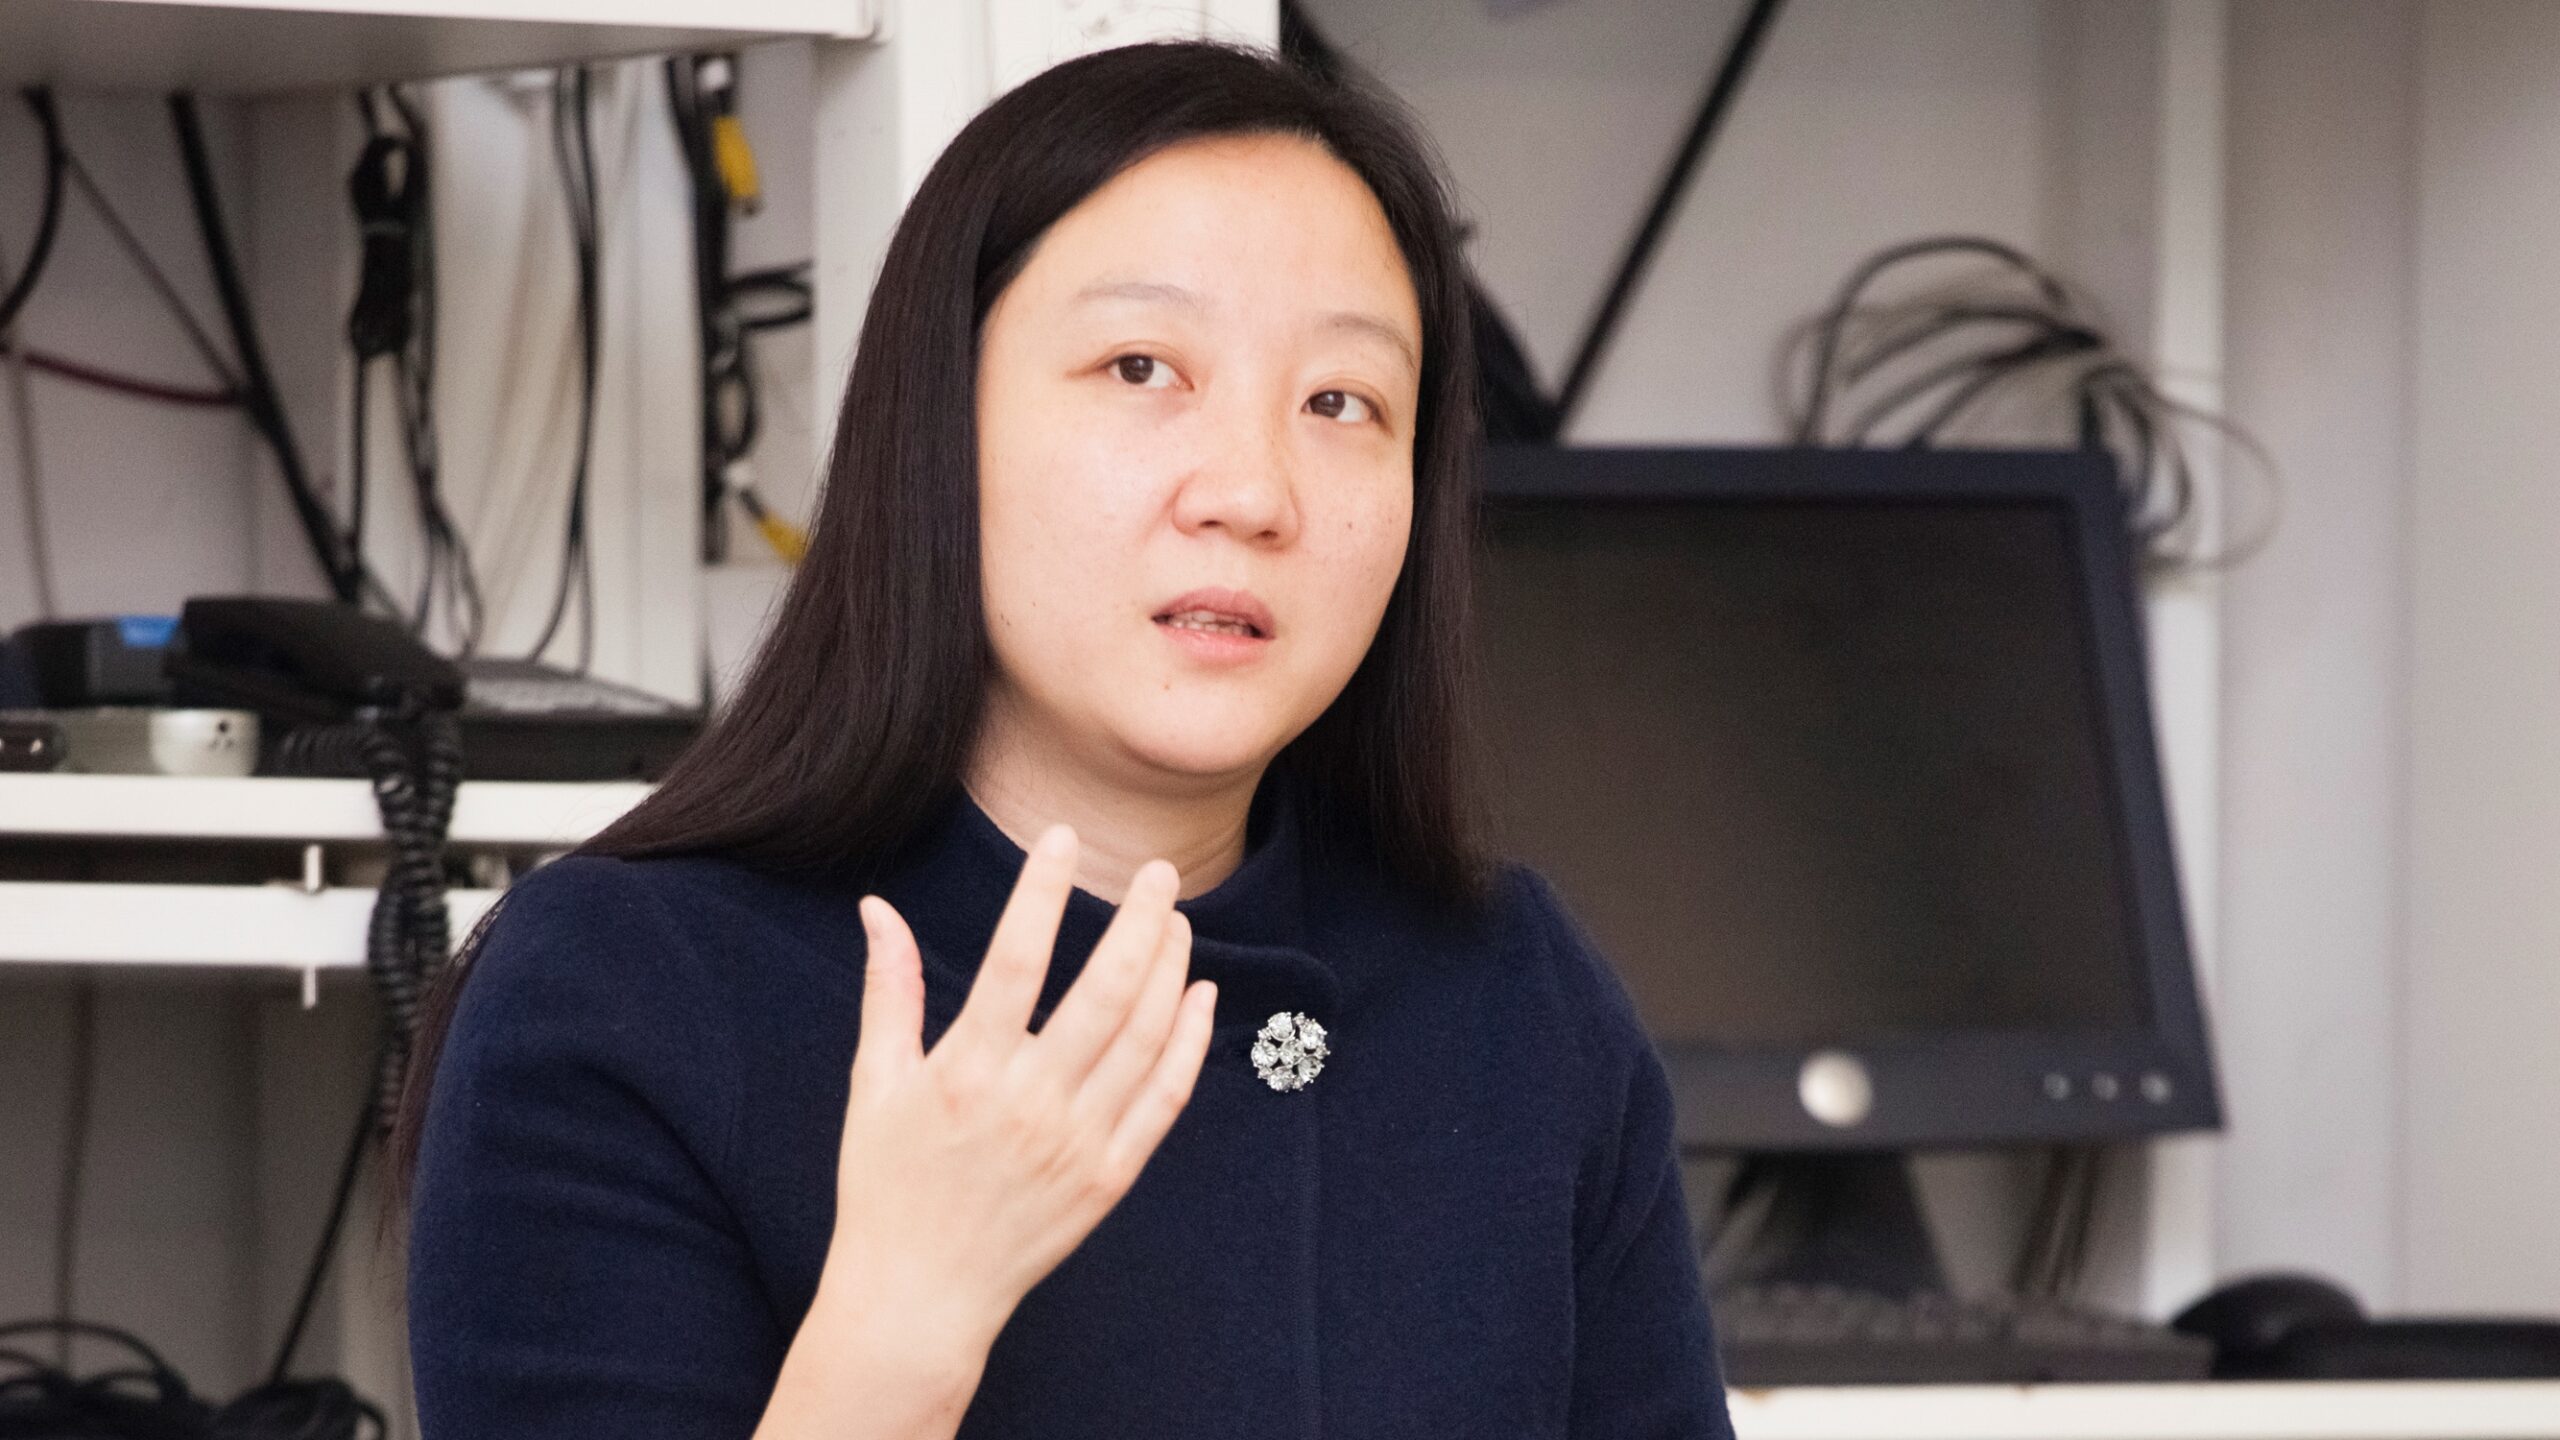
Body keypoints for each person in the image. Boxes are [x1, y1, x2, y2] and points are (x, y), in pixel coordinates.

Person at [396, 39, 1732, 1440]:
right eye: (1142, 366)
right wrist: (903, 1317)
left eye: (1342, 401)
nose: (1252, 491)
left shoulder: (1514, 996)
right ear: (938, 424)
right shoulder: (622, 993)